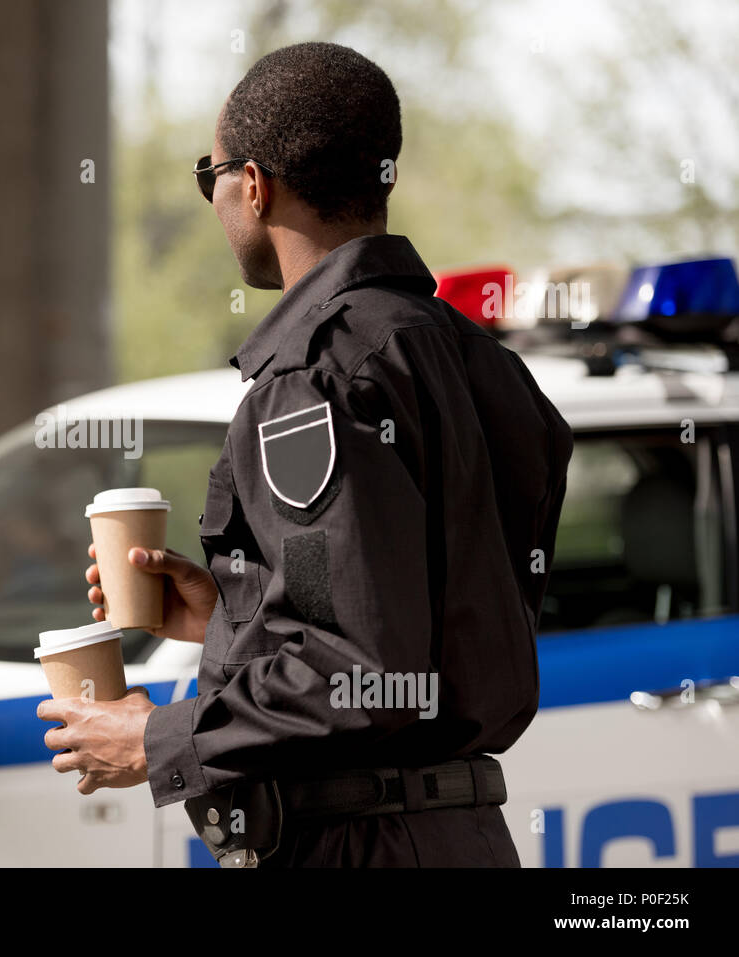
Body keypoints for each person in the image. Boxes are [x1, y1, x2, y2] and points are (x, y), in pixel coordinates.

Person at [38, 42, 573, 867]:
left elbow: (361, 666)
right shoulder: (479, 359)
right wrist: (230, 615)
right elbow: (413, 628)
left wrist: (158, 736)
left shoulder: (314, 373)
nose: (215, 200)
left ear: (253, 184)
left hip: (359, 843)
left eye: (208, 176)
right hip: (459, 835)